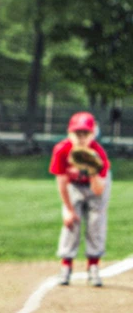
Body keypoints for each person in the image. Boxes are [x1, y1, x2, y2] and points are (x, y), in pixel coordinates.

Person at [49, 112, 110, 287]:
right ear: (69, 133)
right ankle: (66, 267)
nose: (81, 138)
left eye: (85, 133)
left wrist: (90, 169)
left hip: (96, 186)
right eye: (77, 133)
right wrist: (68, 209)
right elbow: (61, 181)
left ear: (93, 134)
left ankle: (93, 268)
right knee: (71, 223)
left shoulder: (99, 154)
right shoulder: (62, 150)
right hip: (73, 187)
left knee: (96, 222)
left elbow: (98, 190)